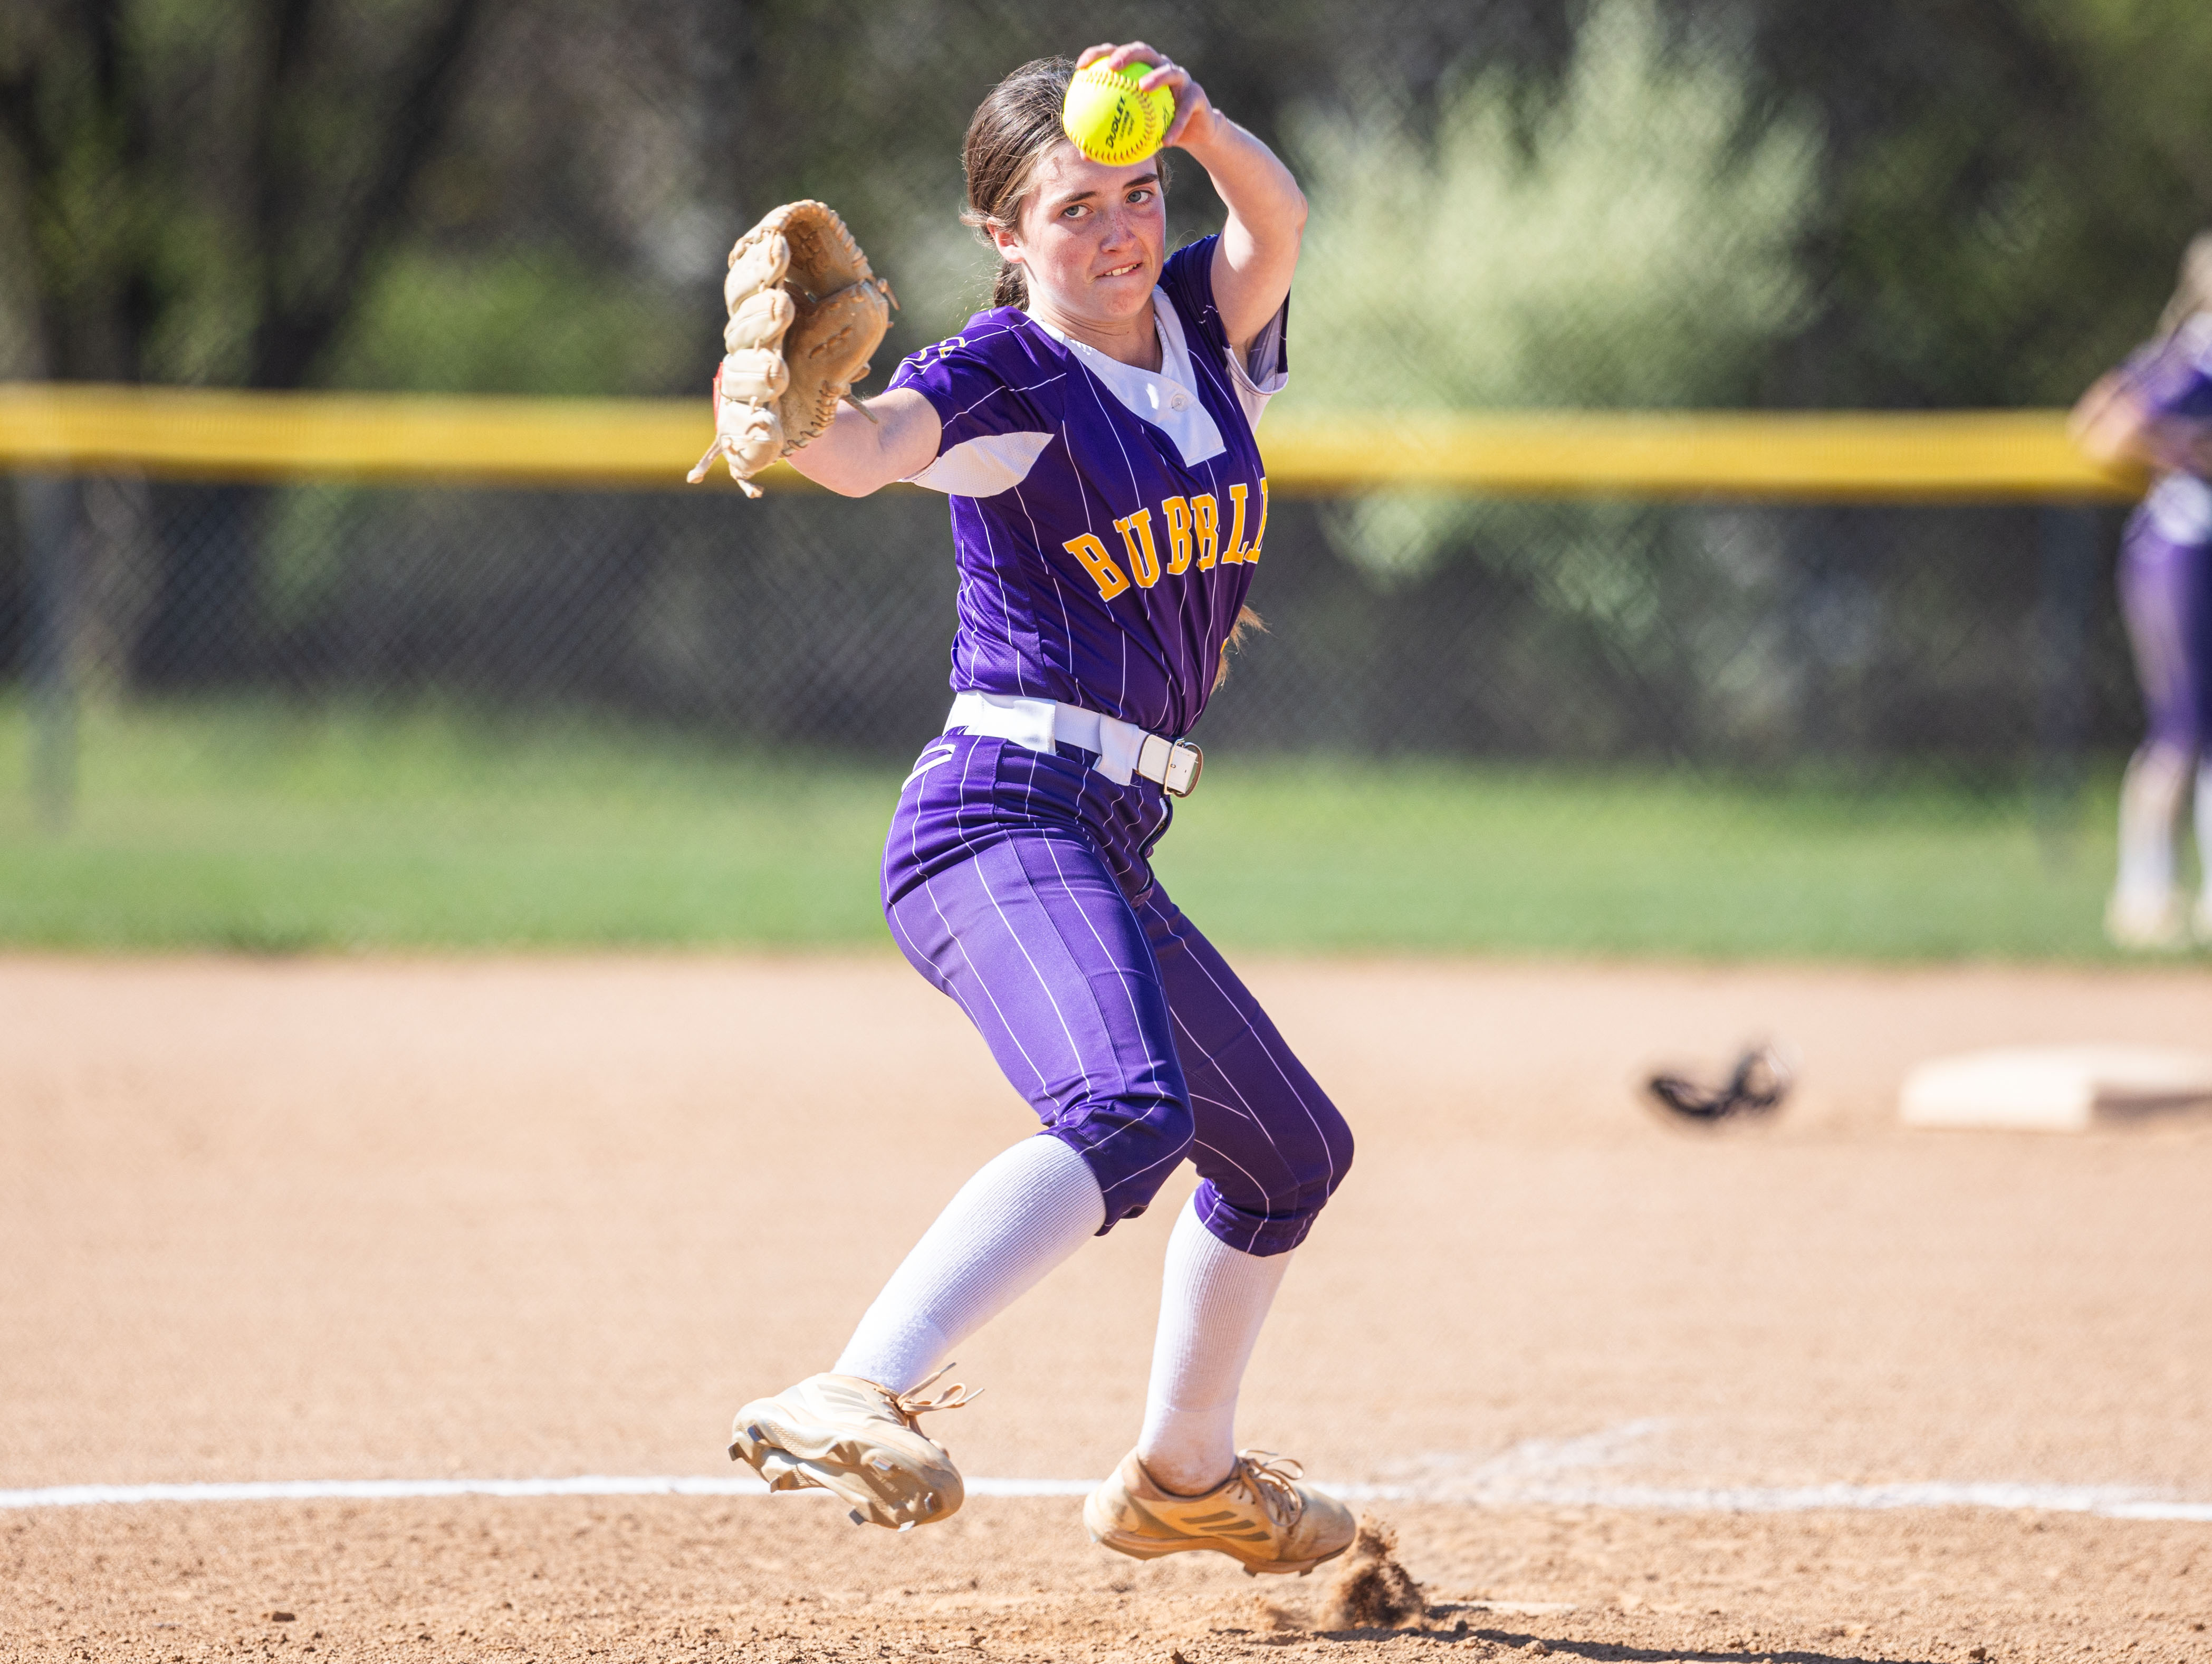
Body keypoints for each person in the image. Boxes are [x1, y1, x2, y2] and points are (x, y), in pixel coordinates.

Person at [723, 45, 1357, 1575]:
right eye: (1074, 209)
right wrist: (792, 406)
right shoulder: (1002, 371)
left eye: (1135, 196)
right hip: (996, 817)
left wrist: (1198, 120)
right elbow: (873, 452)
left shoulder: (1203, 328)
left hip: (1109, 834)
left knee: (1286, 1151)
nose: (1121, 230)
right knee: (1129, 1114)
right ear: (1004, 238)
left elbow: (1279, 225)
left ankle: (1184, 1479)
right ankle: (856, 1383)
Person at [2070, 233, 2212, 950]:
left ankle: (2176, 896)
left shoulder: (2185, 347)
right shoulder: (2200, 350)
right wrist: (2179, 452)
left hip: (2177, 549)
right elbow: (2101, 427)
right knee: (2182, 726)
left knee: (2196, 728)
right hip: (2185, 547)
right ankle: (2143, 893)